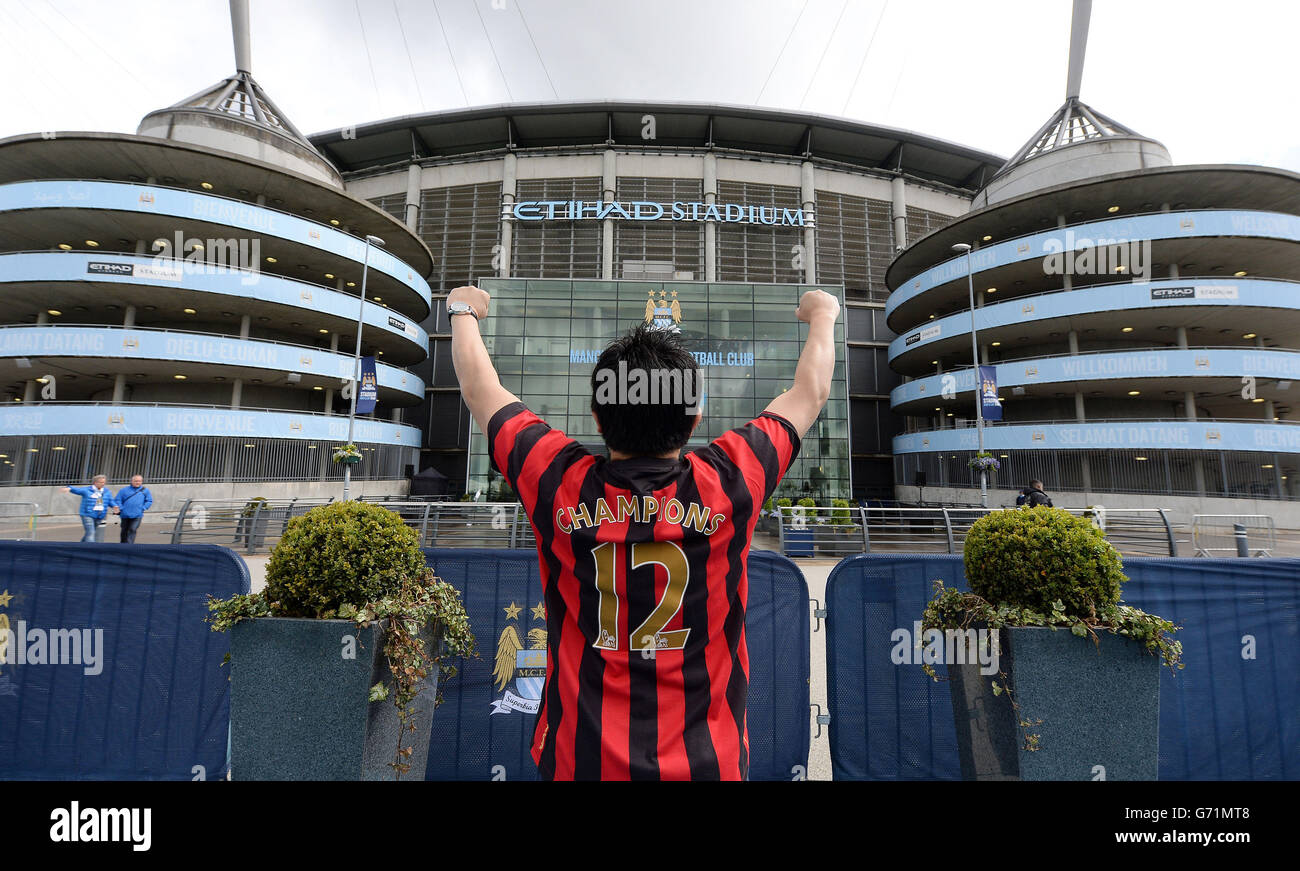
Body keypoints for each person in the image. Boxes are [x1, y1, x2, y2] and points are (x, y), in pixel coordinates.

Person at [449, 283, 839, 781]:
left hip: (578, 759)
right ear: (694, 419)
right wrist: (823, 313)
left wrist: (464, 311)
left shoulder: (558, 481)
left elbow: (481, 390)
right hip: (708, 763)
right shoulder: (727, 481)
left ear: (597, 416)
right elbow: (810, 392)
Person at [62, 475, 116, 542]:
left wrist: (115, 506)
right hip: (87, 514)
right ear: (95, 483)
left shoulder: (106, 491)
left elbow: (110, 500)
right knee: (91, 532)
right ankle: (90, 548)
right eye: (100, 482)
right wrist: (69, 488)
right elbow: (77, 490)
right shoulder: (87, 490)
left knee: (90, 533)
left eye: (104, 482)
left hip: (100, 515)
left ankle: (81, 545)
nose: (103, 484)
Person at [114, 474, 154, 544]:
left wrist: (143, 508)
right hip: (125, 515)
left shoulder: (145, 491)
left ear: (141, 482)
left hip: (137, 515)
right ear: (131, 481)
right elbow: (118, 500)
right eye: (135, 481)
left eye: (139, 481)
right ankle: (122, 545)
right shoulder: (123, 490)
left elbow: (149, 501)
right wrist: (121, 508)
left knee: (132, 529)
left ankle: (130, 546)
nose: (137, 483)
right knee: (124, 530)